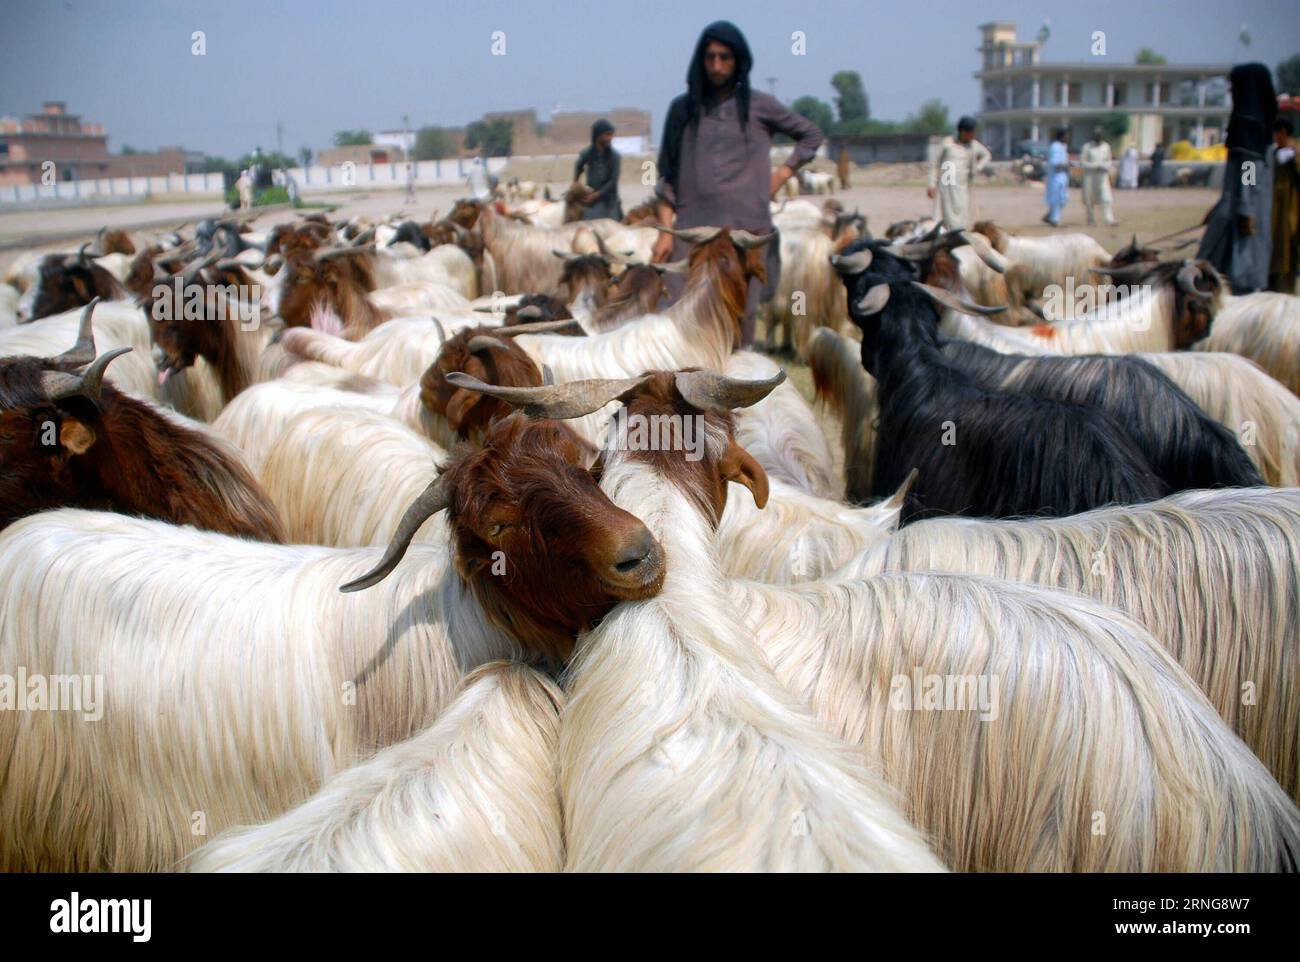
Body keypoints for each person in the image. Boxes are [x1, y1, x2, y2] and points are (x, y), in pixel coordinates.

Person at [651, 20, 824, 347]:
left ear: (739, 60)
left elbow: (811, 134)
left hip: (746, 233)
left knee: (740, 318)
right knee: (680, 317)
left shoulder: (760, 106)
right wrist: (663, 230)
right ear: (700, 60)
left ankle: (739, 391)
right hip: (692, 232)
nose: (717, 65)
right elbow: (667, 177)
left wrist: (780, 177)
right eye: (710, 57)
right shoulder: (682, 109)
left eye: (725, 57)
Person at [1197, 63, 1278, 295]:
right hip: (1243, 209)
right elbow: (1248, 169)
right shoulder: (1248, 126)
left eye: (1234, 86)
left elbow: (1247, 170)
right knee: (1239, 266)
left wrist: (1244, 207)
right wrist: (1246, 209)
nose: (1231, 91)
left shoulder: (1247, 124)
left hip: (1241, 206)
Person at [927, 116, 992, 230]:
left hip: (962, 186)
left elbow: (986, 155)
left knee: (961, 213)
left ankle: (959, 233)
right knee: (943, 214)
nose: (972, 135)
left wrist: (976, 168)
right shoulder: (947, 143)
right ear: (962, 131)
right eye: (970, 132)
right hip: (946, 184)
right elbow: (934, 164)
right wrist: (931, 184)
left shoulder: (974, 145)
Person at [1269, 117, 1299, 293]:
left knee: (1287, 256)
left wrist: (1294, 157)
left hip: (1288, 216)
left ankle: (1284, 292)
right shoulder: (1267, 154)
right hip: (1270, 216)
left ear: (1283, 133)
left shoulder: (1293, 153)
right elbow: (1249, 181)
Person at [573, 119, 623, 221]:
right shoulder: (587, 154)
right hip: (591, 202)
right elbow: (578, 165)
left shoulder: (615, 156)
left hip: (609, 202)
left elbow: (612, 182)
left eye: (611, 135)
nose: (610, 138)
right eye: (607, 135)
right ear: (598, 136)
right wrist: (575, 182)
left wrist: (596, 195)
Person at [1081, 126, 1117, 226]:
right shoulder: (1087, 147)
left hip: (1102, 177)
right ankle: (1090, 219)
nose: (1098, 137)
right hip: (1090, 177)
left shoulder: (1106, 147)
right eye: (1096, 135)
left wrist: (1104, 166)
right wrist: (1095, 166)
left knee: (1106, 198)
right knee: (1089, 200)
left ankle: (1109, 219)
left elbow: (1109, 161)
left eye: (1100, 135)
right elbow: (1083, 162)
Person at [1042, 126, 1070, 227]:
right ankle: (1054, 219)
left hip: (1063, 177)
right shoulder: (1055, 147)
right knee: (1056, 199)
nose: (1068, 137)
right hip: (1055, 178)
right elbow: (1055, 164)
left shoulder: (1063, 146)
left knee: (1063, 199)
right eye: (1066, 135)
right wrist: (1066, 166)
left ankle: (1049, 215)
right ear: (1062, 136)